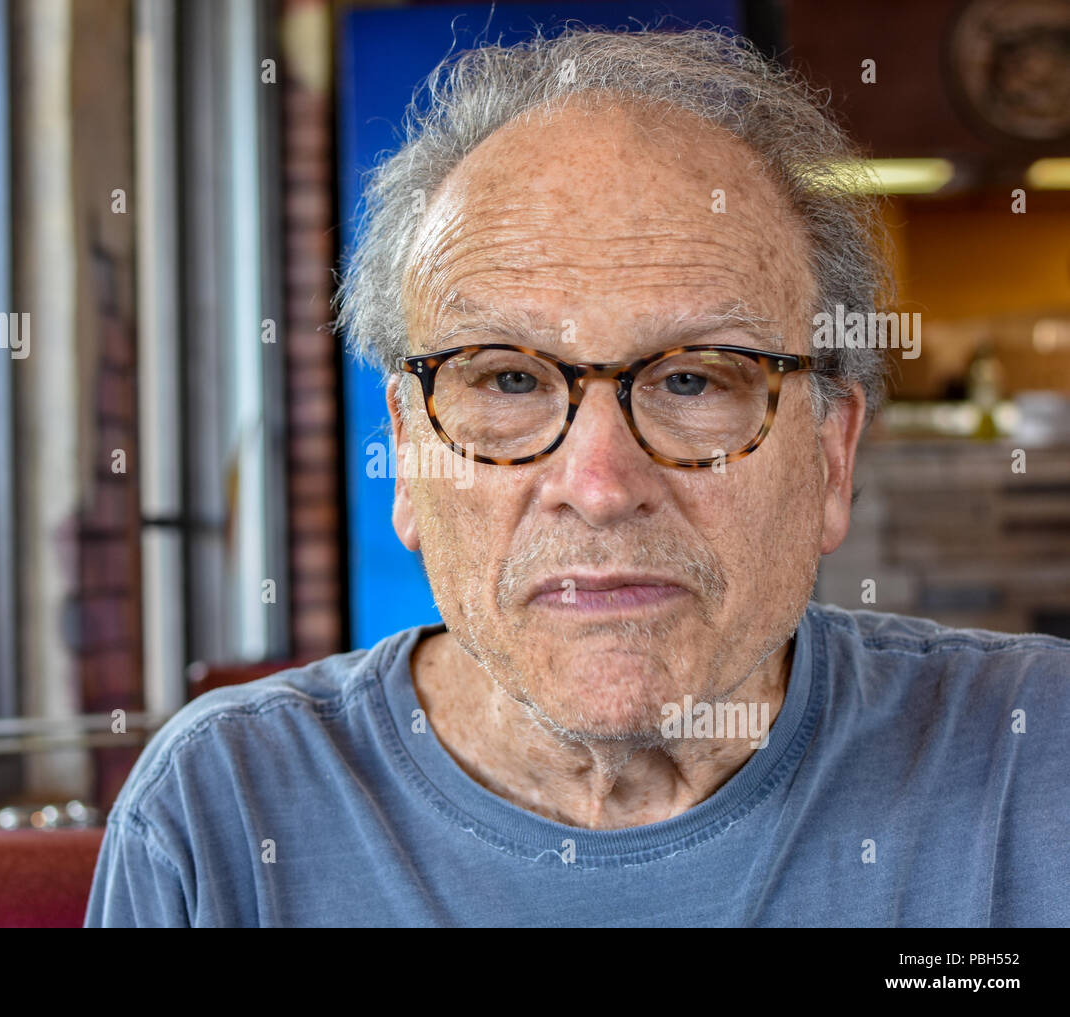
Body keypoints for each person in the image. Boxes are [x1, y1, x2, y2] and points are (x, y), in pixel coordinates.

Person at [85, 26, 1070, 927]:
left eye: (693, 380)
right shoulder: (220, 816)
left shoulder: (1038, 768)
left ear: (830, 457)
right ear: (405, 451)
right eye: (508, 379)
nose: (598, 485)